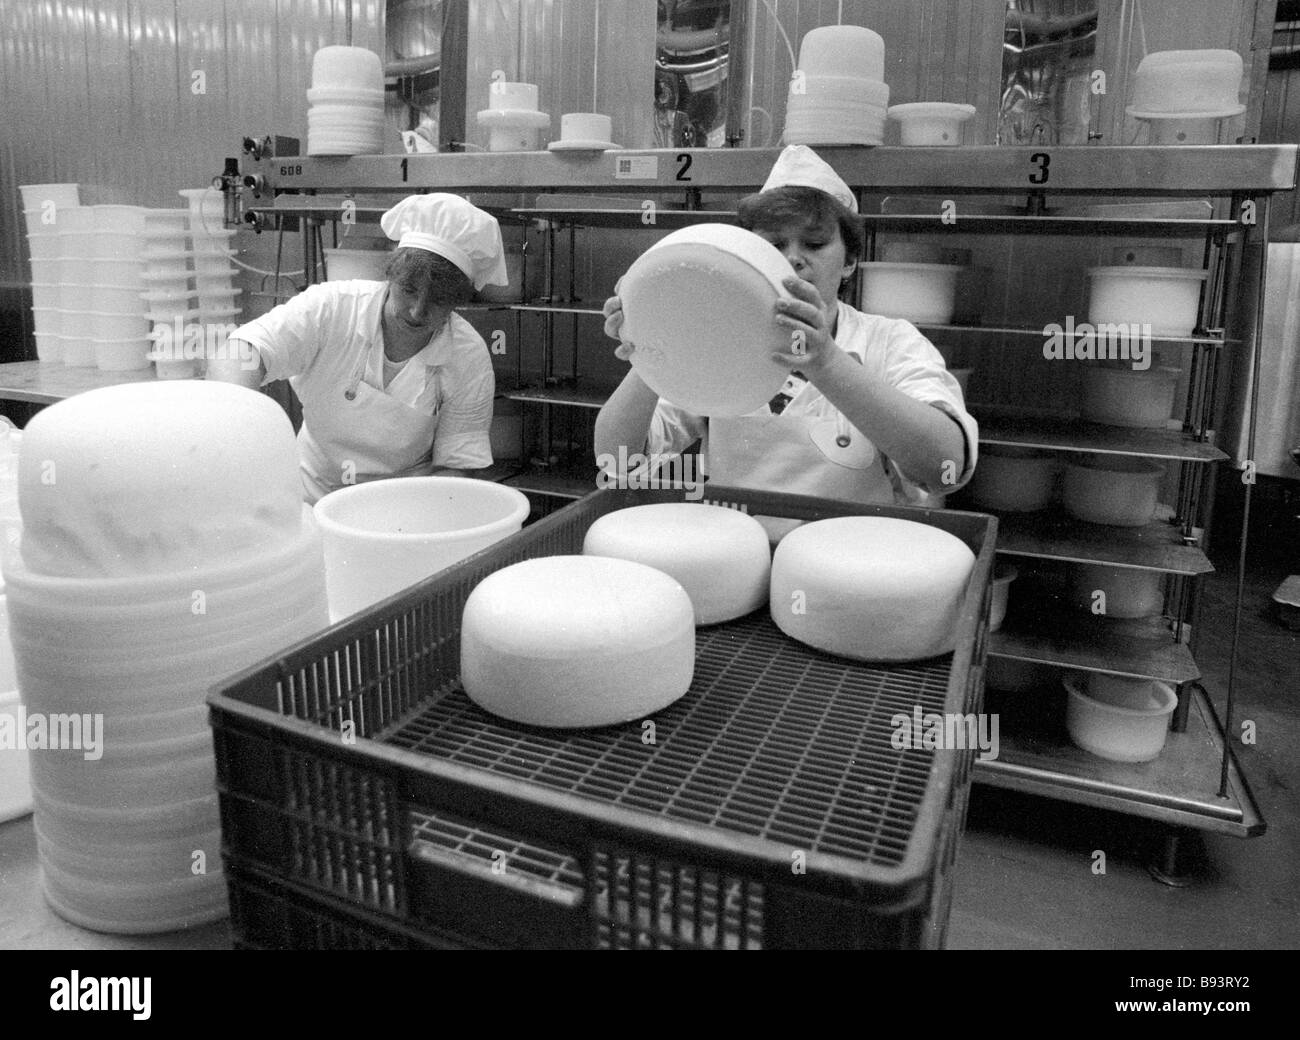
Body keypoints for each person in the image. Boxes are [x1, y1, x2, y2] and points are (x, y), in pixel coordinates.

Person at [594, 145, 978, 506]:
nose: (793, 259)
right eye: (774, 245)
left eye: (814, 244)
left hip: (853, 564)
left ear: (849, 262)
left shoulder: (890, 342)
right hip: (738, 556)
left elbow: (944, 469)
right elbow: (617, 462)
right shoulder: (717, 340)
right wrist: (655, 341)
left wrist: (825, 360)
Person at [209, 193, 507, 503]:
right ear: (391, 274)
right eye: (409, 290)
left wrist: (402, 521)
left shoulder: (467, 355)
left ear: (458, 302)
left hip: (403, 510)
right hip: (311, 499)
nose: (418, 311)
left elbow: (457, 468)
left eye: (438, 300)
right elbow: (241, 351)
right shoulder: (334, 307)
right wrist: (235, 426)